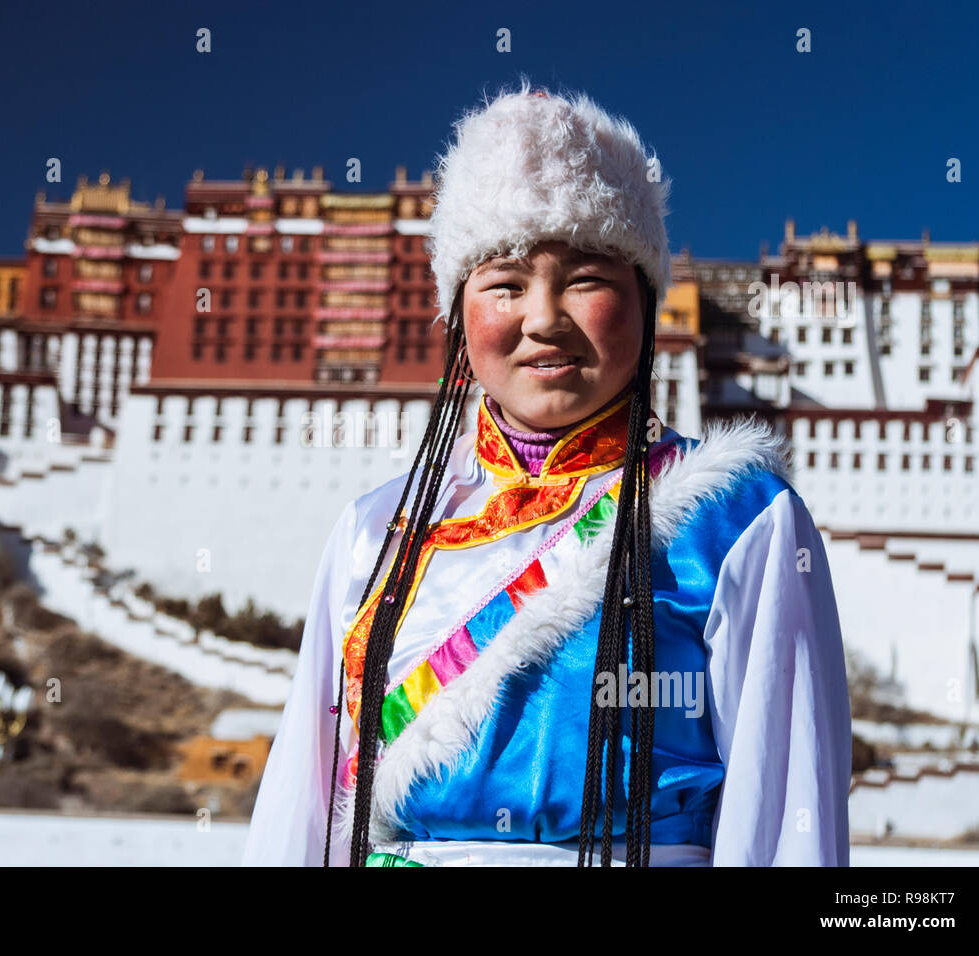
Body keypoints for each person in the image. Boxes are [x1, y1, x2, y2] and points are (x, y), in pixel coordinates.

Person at [242, 79, 852, 867]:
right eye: (504, 283)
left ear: (645, 301)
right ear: (460, 316)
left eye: (587, 278)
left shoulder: (738, 519)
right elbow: (301, 804)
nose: (542, 318)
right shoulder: (377, 533)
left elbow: (787, 813)